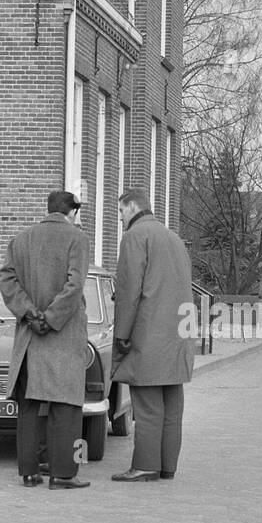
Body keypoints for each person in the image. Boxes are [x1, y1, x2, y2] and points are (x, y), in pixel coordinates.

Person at [0, 191, 91, 490]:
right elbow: (75, 285)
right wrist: (50, 318)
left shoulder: (21, 239)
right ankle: (63, 475)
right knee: (66, 407)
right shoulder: (77, 238)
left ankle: (29, 473)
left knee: (28, 408)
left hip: (29, 338)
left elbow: (7, 280)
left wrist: (30, 314)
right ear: (73, 212)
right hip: (63, 336)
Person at [110, 189, 196, 482]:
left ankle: (145, 466)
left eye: (121, 211)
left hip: (149, 337)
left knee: (146, 407)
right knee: (172, 407)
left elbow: (128, 291)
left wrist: (122, 334)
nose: (120, 218)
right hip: (178, 338)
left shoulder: (135, 237)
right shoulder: (174, 239)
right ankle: (167, 466)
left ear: (132, 207)